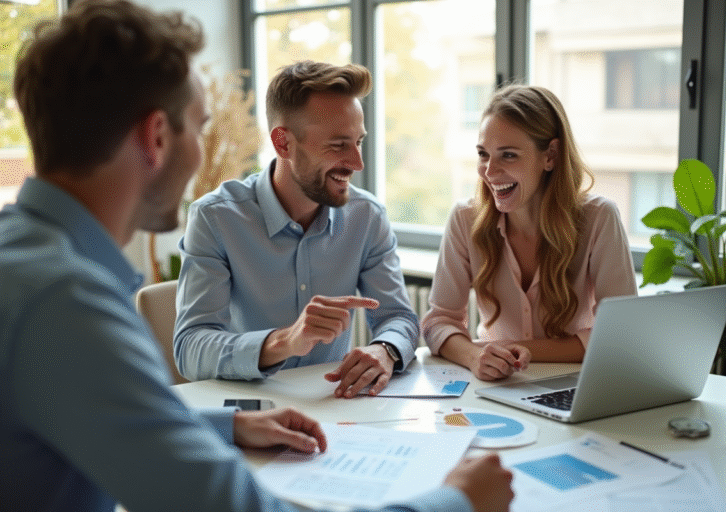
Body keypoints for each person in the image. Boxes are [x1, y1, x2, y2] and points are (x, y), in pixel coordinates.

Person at [0, 2, 514, 511]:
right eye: (199, 128)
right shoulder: (65, 303)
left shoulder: (29, 267)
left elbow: (98, 417)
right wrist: (457, 502)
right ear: (156, 137)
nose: (203, 152)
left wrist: (229, 424)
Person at [174, 60, 419, 399]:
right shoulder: (216, 218)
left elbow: (399, 318)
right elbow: (191, 348)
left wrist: (385, 350)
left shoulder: (367, 216)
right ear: (283, 144)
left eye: (358, 142)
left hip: (336, 407)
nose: (357, 163)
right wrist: (284, 342)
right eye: (338, 145)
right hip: (248, 412)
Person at [421, 83, 638, 381]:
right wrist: (476, 357)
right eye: (484, 154)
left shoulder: (599, 218)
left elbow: (620, 334)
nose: (490, 171)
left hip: (574, 386)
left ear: (550, 155)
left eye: (508, 155)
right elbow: (438, 323)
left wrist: (521, 349)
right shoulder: (465, 219)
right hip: (496, 386)